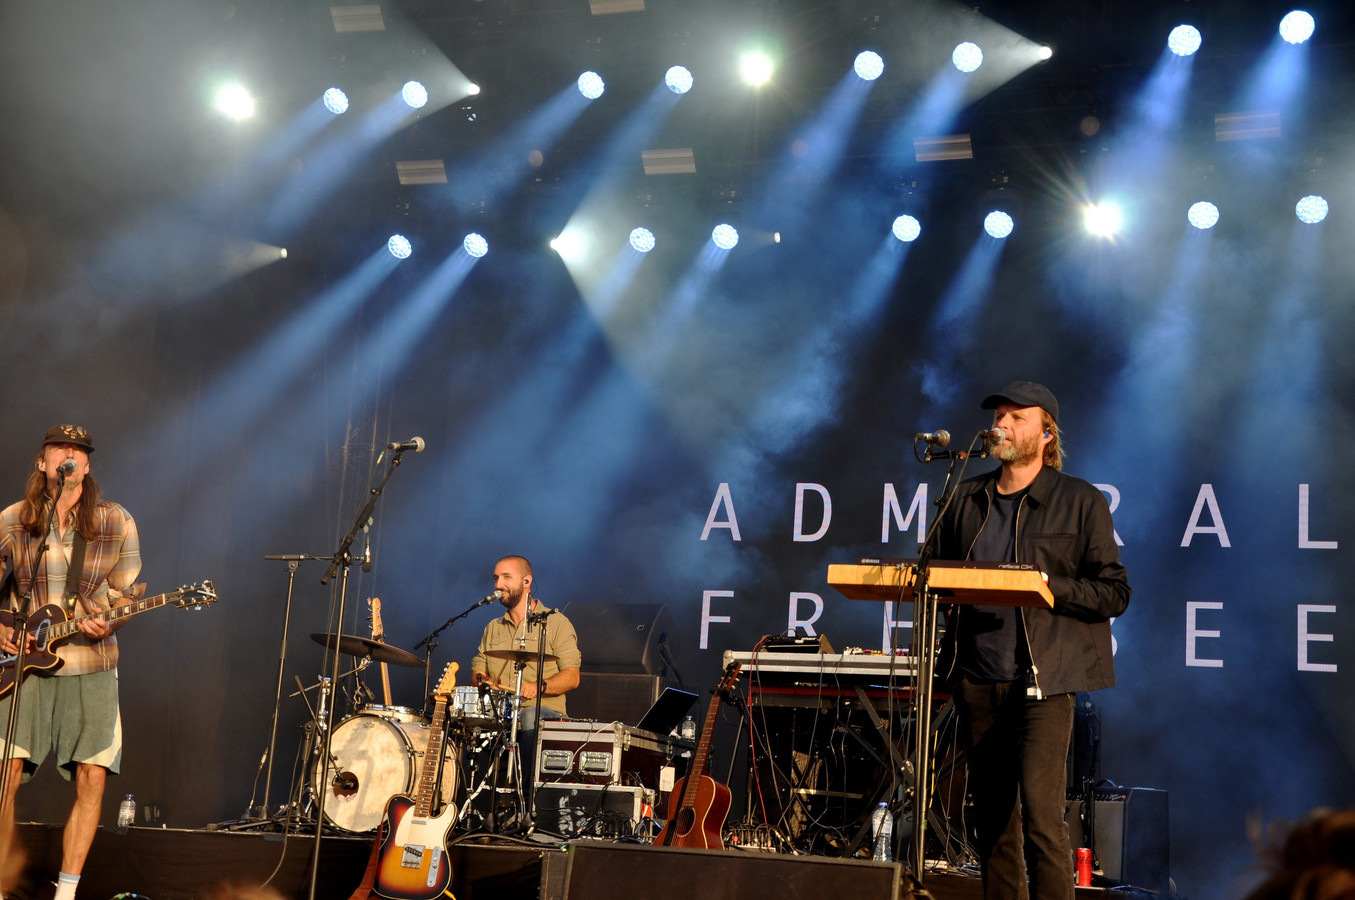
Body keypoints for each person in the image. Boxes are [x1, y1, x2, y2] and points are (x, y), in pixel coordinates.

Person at [934, 382, 1131, 900]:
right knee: (993, 825)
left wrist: (1046, 588)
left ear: (1046, 434)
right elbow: (932, 572)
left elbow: (1114, 592)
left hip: (1041, 681)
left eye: (1017, 417)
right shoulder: (967, 498)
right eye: (1000, 414)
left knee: (1043, 821)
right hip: (978, 678)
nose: (1003, 423)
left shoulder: (1079, 500)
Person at [0, 425, 142, 900]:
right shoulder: (14, 520)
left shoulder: (115, 520)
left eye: (79, 451)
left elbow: (126, 594)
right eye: (61, 449)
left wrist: (112, 621)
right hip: (22, 666)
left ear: (88, 465)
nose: (71, 455)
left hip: (91, 663)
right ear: (43, 463)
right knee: (5, 772)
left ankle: (66, 892)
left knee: (92, 775)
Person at [470, 556, 580, 791]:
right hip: (503, 713)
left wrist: (539, 687)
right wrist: (485, 679)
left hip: (545, 715)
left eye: (506, 577)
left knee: (529, 716)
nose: (498, 585)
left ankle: (527, 797)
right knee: (468, 719)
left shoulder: (556, 623)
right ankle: (469, 798)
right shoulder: (493, 627)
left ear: (527, 581)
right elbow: (478, 669)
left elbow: (572, 676)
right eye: (496, 578)